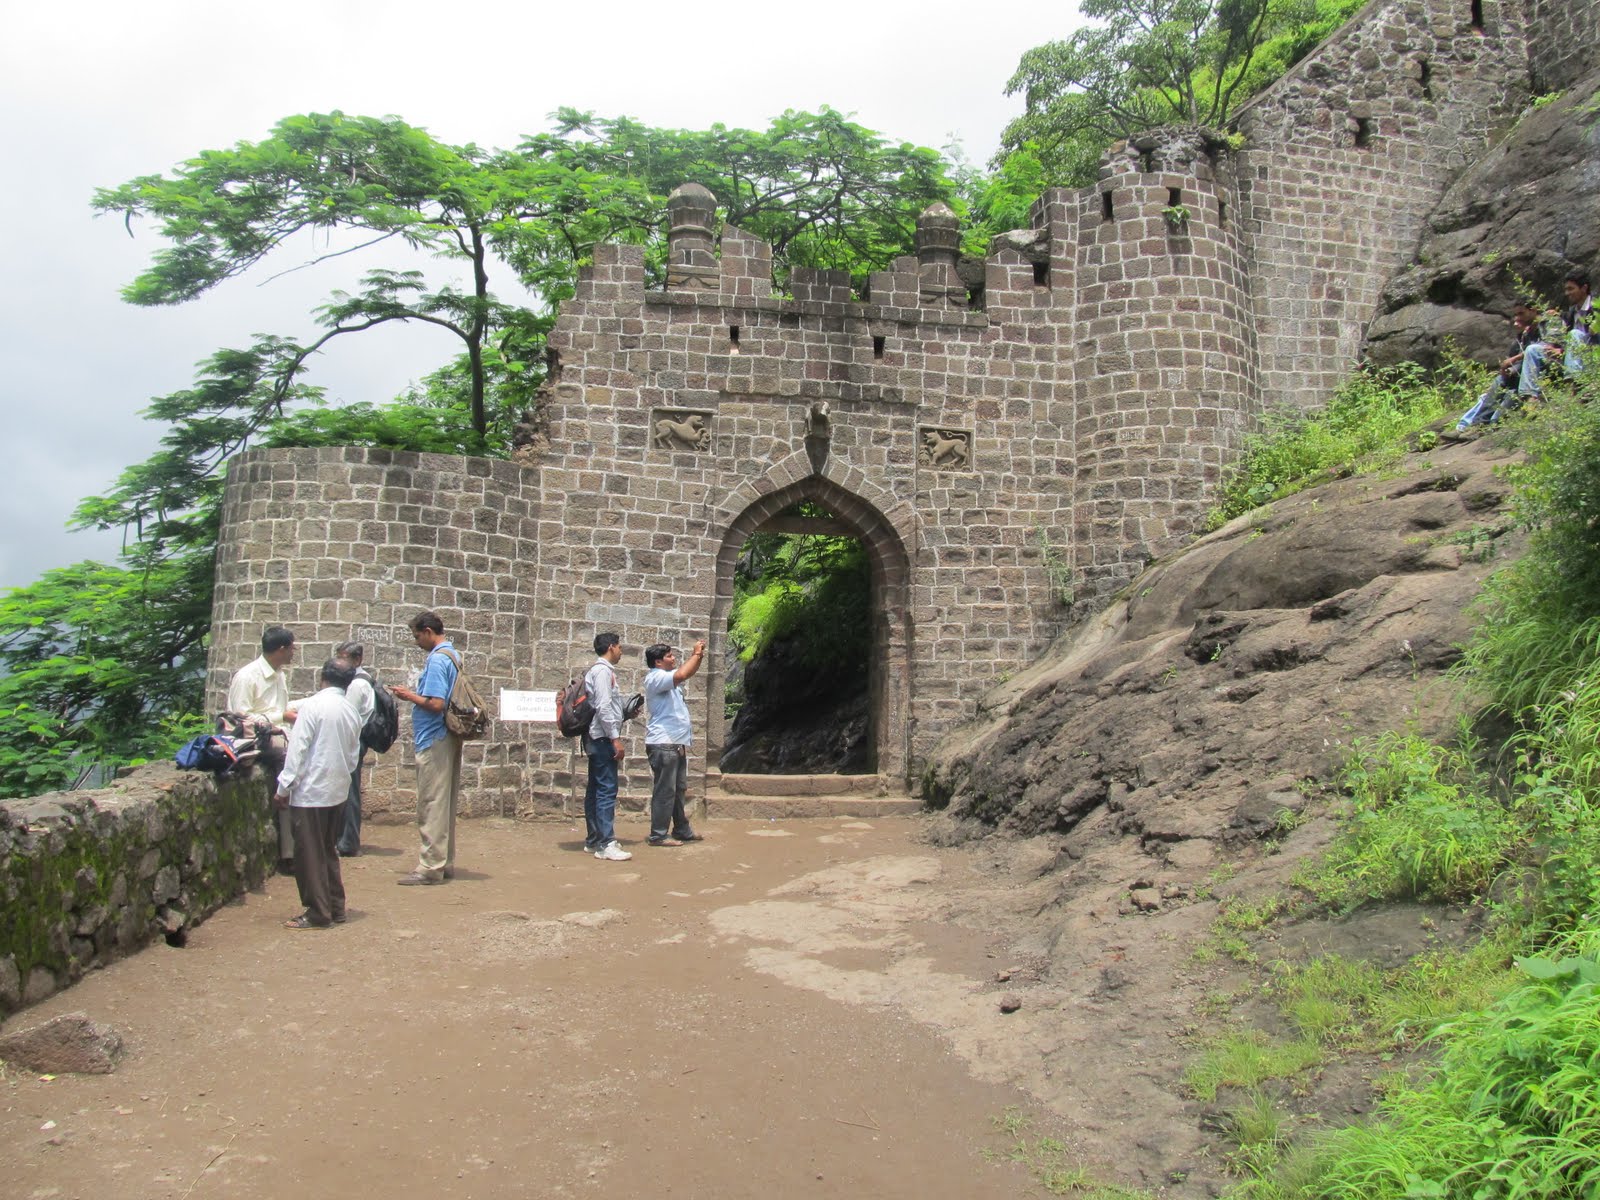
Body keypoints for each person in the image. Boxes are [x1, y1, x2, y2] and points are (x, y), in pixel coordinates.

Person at [274, 659, 362, 929]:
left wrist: (284, 787)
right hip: (337, 789)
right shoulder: (350, 710)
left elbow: (297, 751)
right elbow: (352, 755)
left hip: (311, 791)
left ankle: (318, 912)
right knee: (327, 850)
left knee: (309, 853)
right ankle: (335, 906)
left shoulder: (312, 707)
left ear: (322, 677)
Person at [390, 612, 464, 885]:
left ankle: (430, 866)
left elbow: (436, 703)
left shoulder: (437, 660)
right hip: (445, 736)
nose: (416, 641)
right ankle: (444, 861)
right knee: (443, 803)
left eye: (417, 636)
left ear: (429, 631)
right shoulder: (453, 655)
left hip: (434, 737)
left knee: (432, 802)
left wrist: (408, 695)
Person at [228, 625, 297, 872]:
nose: (294, 652)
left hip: (278, 732)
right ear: (281, 649)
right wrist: (281, 717)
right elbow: (239, 718)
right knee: (291, 763)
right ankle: (289, 852)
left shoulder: (279, 674)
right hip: (254, 738)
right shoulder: (247, 676)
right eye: (291, 648)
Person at [641, 640, 708, 847]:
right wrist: (696, 654)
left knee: (678, 789)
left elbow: (686, 673)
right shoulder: (656, 677)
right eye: (669, 656)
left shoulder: (668, 679)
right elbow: (682, 674)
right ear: (658, 662)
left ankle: (681, 829)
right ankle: (658, 835)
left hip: (675, 744)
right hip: (663, 743)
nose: (673, 659)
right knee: (665, 790)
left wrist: (698, 657)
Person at [1445, 302, 1539, 436]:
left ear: (1533, 310)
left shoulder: (1543, 326)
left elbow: (1539, 351)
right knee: (1498, 383)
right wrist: (1509, 369)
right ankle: (1474, 425)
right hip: (1518, 377)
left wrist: (1513, 363)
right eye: (1516, 316)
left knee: (1502, 404)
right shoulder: (1522, 338)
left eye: (1521, 314)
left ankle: (1478, 426)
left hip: (1534, 377)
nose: (1517, 320)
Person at [583, 633, 632, 862]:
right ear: (611, 647)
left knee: (595, 789)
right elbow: (603, 707)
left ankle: (594, 839)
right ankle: (605, 844)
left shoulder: (598, 671)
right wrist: (615, 738)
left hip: (596, 738)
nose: (621, 651)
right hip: (602, 739)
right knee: (606, 790)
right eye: (619, 647)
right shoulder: (603, 672)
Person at [1517, 269, 1598, 400]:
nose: (1567, 293)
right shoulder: (1572, 312)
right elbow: (1562, 338)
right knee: (1532, 350)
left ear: (1584, 288)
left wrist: (1563, 350)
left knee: (1575, 334)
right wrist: (1557, 348)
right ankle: (1530, 399)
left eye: (1571, 289)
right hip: (1571, 356)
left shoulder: (1596, 307)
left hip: (1592, 357)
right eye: (1566, 289)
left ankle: (1573, 389)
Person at [334, 641, 375, 857]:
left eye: (343, 658)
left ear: (357, 660)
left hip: (352, 742)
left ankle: (348, 842)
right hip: (351, 741)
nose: (339, 662)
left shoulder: (357, 685)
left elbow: (346, 716)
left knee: (349, 792)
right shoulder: (356, 681)